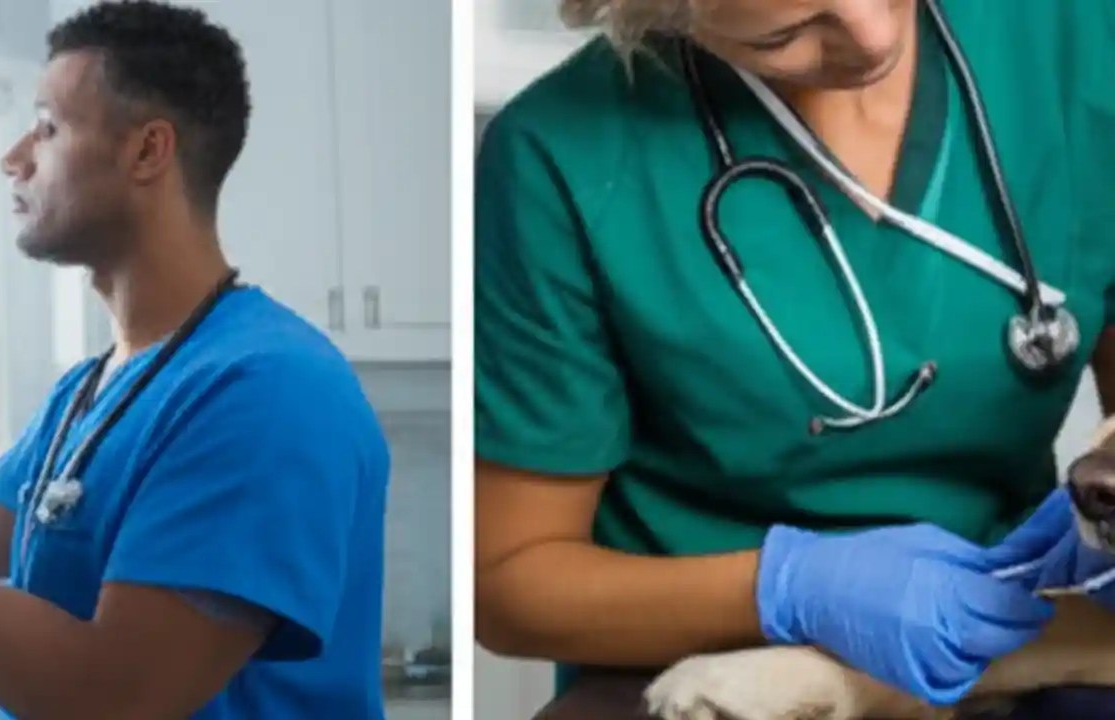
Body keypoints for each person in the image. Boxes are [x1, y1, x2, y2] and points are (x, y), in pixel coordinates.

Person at [474, 0, 1115, 714]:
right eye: (786, 33)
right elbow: (510, 585)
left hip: (1025, 641)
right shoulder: (561, 154)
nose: (874, 36)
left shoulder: (1080, 40)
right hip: (706, 672)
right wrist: (790, 586)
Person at [0, 2, 390, 718]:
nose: (15, 158)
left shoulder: (266, 390)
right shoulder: (93, 391)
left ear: (147, 151)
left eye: (47, 127)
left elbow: (114, 696)